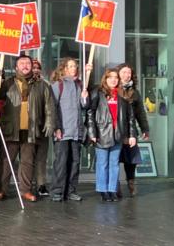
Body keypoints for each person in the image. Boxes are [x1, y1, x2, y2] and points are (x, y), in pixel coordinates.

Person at [0, 54, 56, 203]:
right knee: (6, 161)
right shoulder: (8, 83)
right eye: (21, 63)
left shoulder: (42, 85)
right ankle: (1, 189)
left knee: (27, 162)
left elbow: (49, 107)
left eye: (27, 63)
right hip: (11, 128)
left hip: (31, 129)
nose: (25, 65)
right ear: (16, 67)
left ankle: (25, 190)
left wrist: (50, 123)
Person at [87, 68, 137, 202]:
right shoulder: (98, 93)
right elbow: (90, 112)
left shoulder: (123, 95)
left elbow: (130, 117)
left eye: (116, 77)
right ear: (105, 79)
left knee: (114, 163)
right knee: (102, 163)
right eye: (110, 77)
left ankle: (112, 189)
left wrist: (132, 135)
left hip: (118, 134)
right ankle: (103, 190)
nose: (113, 80)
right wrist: (92, 133)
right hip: (102, 133)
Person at [49, 58, 90, 202]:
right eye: (70, 66)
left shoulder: (80, 85)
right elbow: (52, 107)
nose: (73, 68)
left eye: (75, 66)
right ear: (64, 68)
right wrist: (57, 127)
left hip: (75, 130)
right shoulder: (58, 85)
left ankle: (71, 190)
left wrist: (85, 98)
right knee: (61, 162)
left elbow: (84, 107)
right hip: (63, 130)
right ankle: (57, 191)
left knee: (75, 162)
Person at [118, 64, 150, 197]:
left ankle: (131, 183)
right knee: (115, 158)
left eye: (129, 73)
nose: (127, 75)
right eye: (124, 72)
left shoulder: (134, 92)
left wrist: (145, 129)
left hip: (131, 130)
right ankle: (115, 186)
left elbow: (140, 113)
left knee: (131, 159)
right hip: (116, 129)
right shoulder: (112, 89)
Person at [30, 59, 51, 197]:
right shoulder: (24, 84)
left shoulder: (45, 85)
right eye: (33, 67)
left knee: (41, 158)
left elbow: (49, 106)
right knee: (28, 158)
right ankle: (28, 183)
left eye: (38, 68)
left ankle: (41, 184)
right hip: (28, 128)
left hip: (42, 126)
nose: (35, 70)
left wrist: (49, 123)